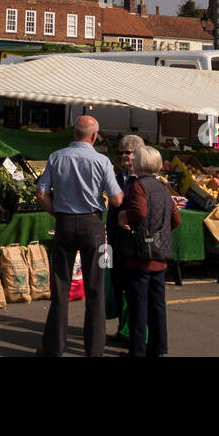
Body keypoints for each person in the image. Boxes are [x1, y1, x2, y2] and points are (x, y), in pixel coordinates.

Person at [35, 115, 123, 357]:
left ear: (74, 133)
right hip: (93, 225)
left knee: (60, 287)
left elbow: (41, 193)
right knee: (95, 289)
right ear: (94, 136)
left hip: (64, 223)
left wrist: (57, 212)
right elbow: (116, 199)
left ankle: (53, 348)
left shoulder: (56, 157)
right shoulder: (102, 161)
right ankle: (94, 350)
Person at [117, 146, 177, 358]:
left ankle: (137, 351)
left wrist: (124, 215)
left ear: (138, 163)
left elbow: (139, 211)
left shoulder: (138, 186)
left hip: (141, 255)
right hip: (160, 256)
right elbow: (175, 219)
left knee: (138, 306)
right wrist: (161, 233)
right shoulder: (163, 187)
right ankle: (158, 348)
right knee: (157, 304)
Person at [106, 133, 145, 346]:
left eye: (128, 153)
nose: (123, 156)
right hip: (115, 239)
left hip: (133, 242)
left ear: (138, 154)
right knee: (119, 286)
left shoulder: (142, 180)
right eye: (121, 153)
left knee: (134, 291)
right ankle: (122, 329)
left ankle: (134, 333)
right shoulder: (119, 178)